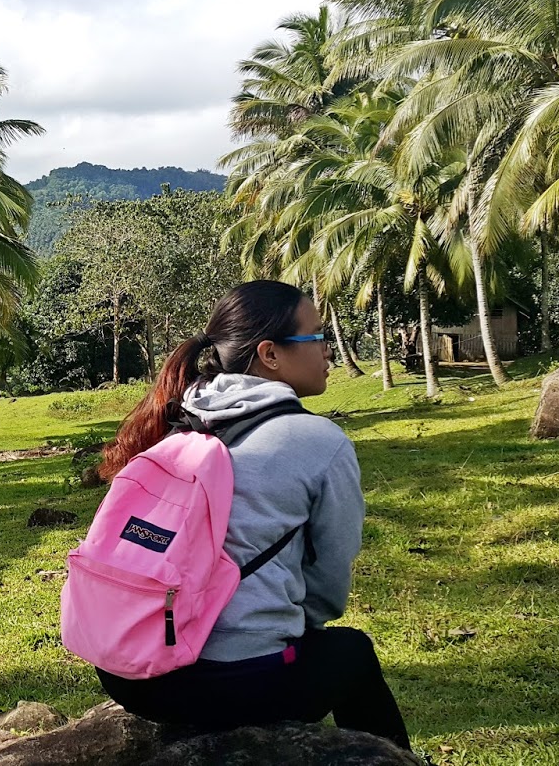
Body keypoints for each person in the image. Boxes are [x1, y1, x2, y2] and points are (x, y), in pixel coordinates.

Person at [93, 280, 410, 750]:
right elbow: (328, 585)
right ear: (270, 353)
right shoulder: (319, 441)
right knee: (352, 652)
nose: (328, 350)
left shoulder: (182, 422)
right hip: (230, 684)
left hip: (127, 673)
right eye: (317, 336)